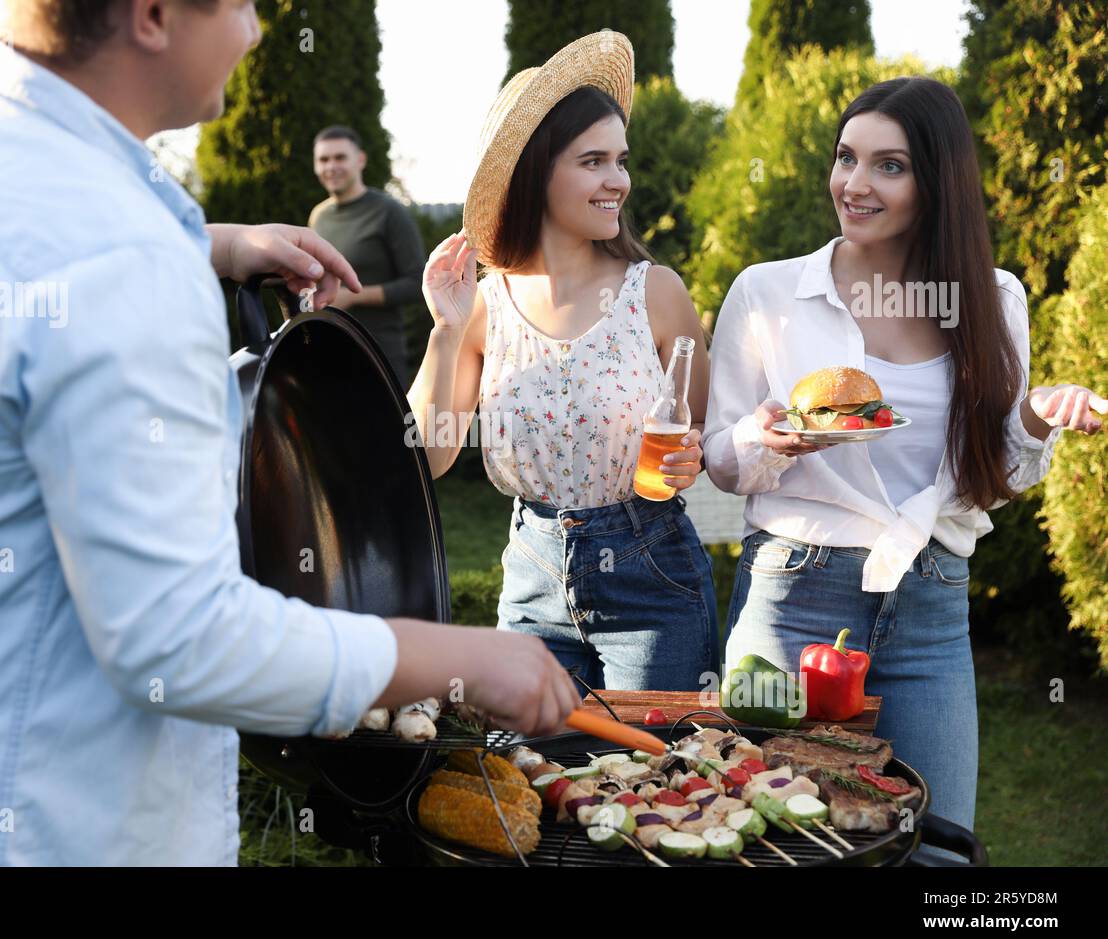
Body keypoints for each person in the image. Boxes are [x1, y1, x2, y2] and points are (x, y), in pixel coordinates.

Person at [0, 0, 577, 866]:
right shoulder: (119, 262)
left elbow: (6, 247)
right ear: (154, 15)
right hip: (39, 822)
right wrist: (462, 657)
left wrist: (210, 243)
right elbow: (178, 638)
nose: (254, 33)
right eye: (244, 7)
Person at [703, 76, 1104, 861]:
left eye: (889, 166)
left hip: (931, 609)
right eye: (847, 158)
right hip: (793, 601)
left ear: (937, 183)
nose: (854, 184)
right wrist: (764, 438)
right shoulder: (770, 293)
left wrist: (1033, 417)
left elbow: (1000, 478)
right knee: (777, 842)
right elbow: (720, 462)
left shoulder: (992, 298)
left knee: (939, 853)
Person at [407, 32, 717, 694]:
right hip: (531, 579)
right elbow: (426, 457)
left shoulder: (655, 294)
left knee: (653, 788)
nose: (619, 182)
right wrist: (446, 328)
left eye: (621, 160)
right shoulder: (483, 306)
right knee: (533, 785)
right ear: (537, 171)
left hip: (652, 578)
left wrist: (697, 457)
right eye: (594, 161)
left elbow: (706, 442)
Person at [309, 124, 426, 384]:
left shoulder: (389, 212)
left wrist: (353, 297)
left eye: (340, 157)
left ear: (360, 159)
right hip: (328, 352)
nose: (331, 166)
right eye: (323, 159)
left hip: (379, 356)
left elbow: (418, 283)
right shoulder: (318, 217)